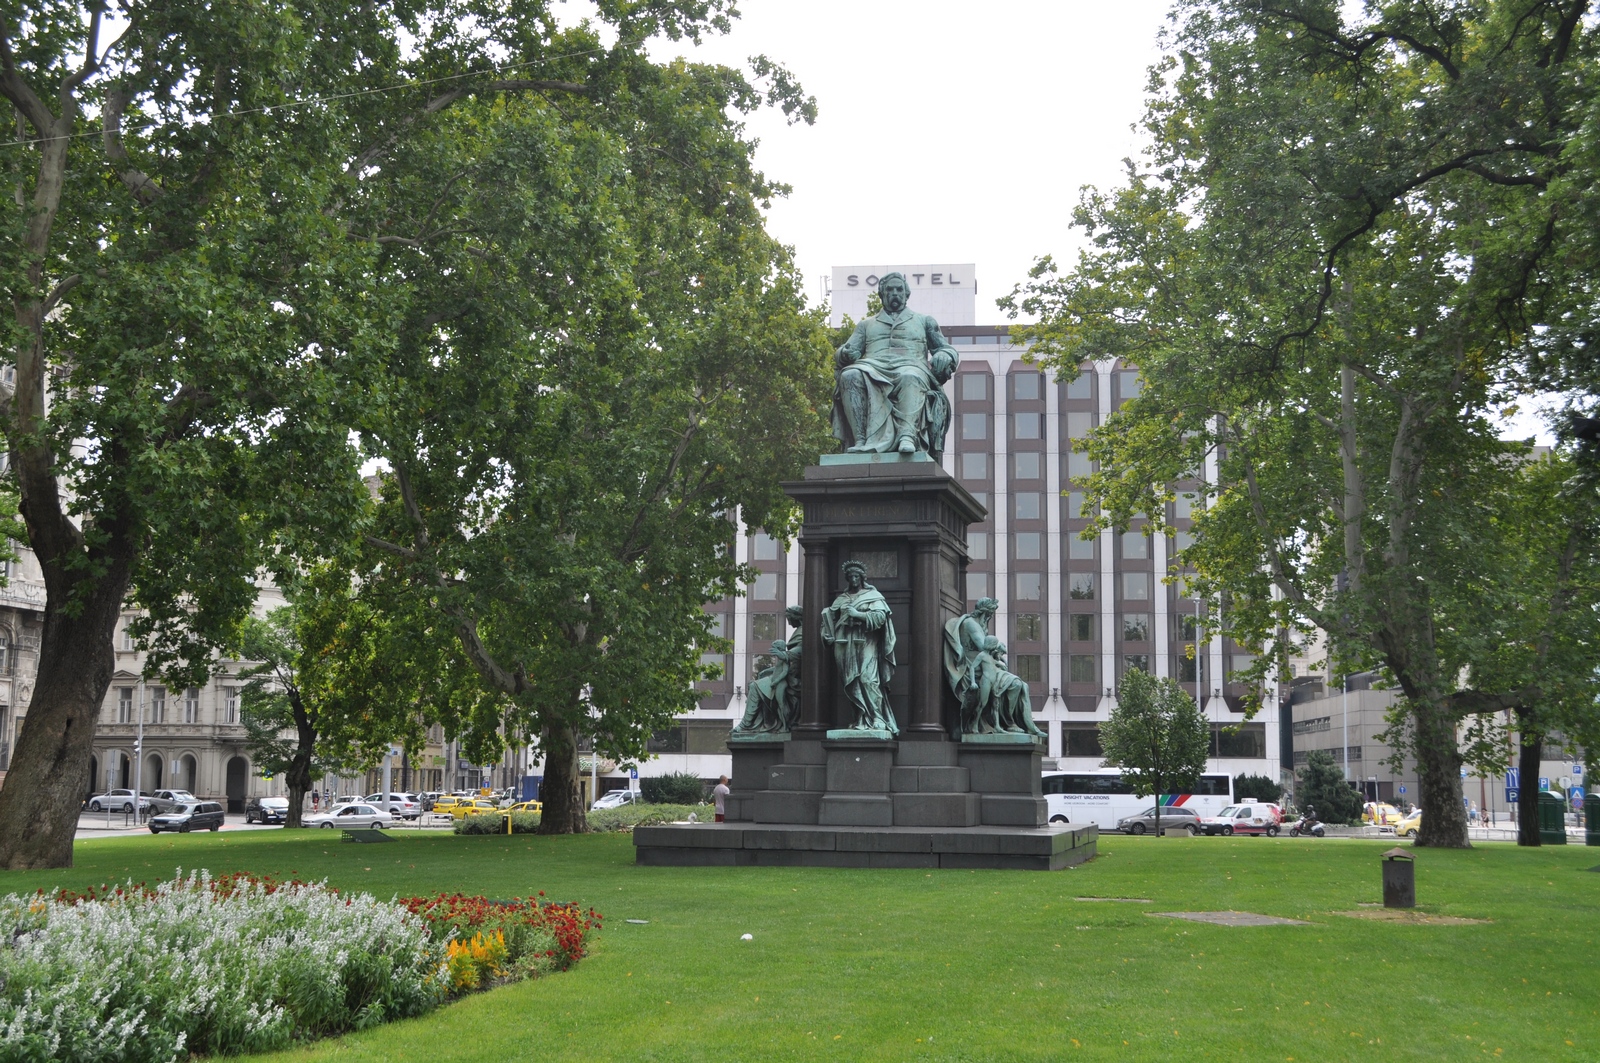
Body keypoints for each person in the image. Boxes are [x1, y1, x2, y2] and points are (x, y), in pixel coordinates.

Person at [831, 273, 959, 458]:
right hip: (872, 366)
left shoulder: (924, 321)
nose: (895, 293)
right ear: (881, 294)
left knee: (910, 376)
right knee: (849, 375)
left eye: (899, 289)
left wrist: (944, 355)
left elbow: (946, 349)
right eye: (889, 289)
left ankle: (906, 436)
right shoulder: (866, 324)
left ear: (907, 294)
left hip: (912, 365)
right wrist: (844, 353)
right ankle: (860, 440)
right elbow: (844, 351)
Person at [820, 559, 898, 734]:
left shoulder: (873, 596)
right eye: (850, 577)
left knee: (868, 679)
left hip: (866, 641)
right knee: (851, 682)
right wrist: (827, 636)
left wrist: (858, 614)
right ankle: (860, 718)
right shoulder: (841, 599)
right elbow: (828, 621)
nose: (853, 579)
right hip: (843, 644)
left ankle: (877, 717)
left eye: (856, 576)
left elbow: (880, 618)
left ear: (862, 578)